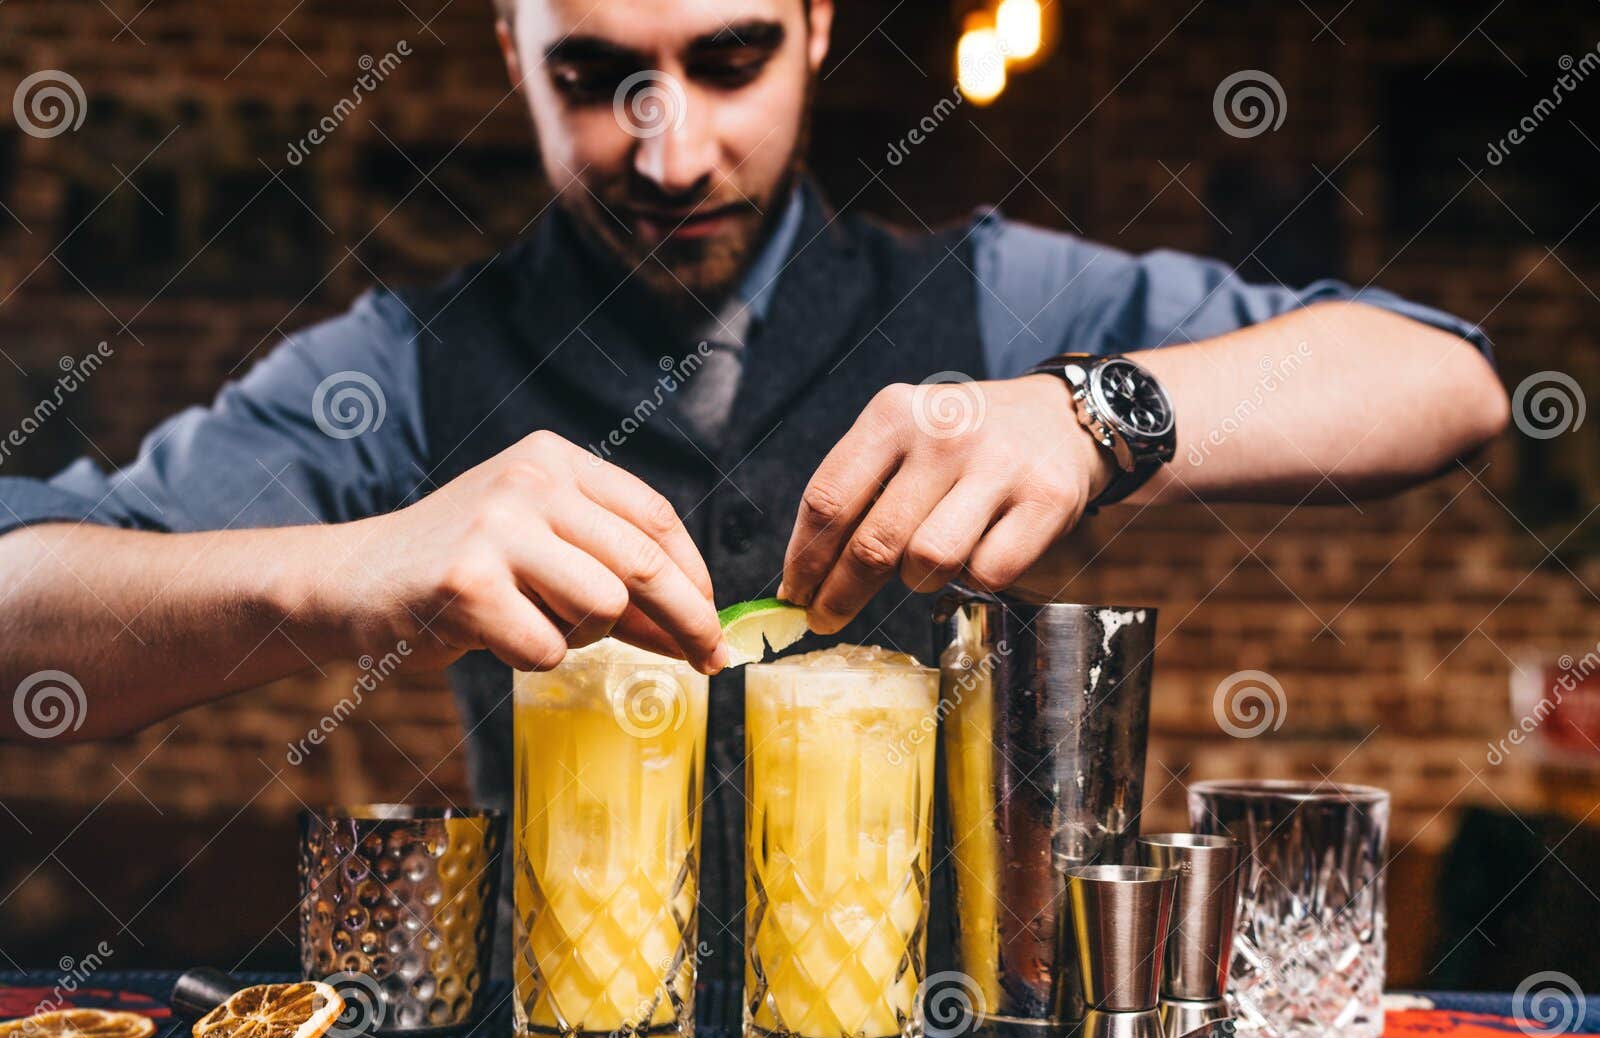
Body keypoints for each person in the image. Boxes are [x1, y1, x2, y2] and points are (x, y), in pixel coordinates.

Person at [0, 0, 1506, 968]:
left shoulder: (993, 305)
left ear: (815, 23)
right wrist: (344, 567)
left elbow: (1444, 379)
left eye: (730, 60)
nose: (672, 152)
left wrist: (1104, 408)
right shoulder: (398, 364)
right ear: (515, 48)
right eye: (599, 78)